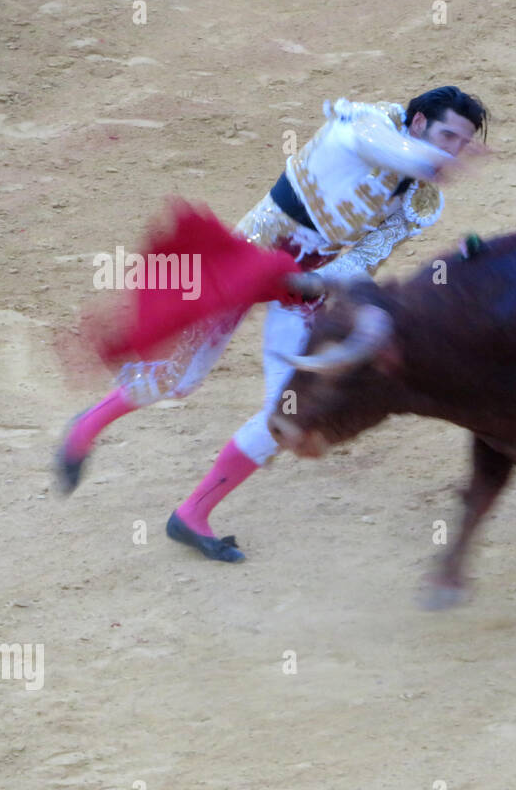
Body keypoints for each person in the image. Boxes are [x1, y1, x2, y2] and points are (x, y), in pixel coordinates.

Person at [56, 86, 489, 562]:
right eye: (446, 135)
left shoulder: (422, 201)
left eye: (461, 144)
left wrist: (317, 282)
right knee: (177, 378)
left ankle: (192, 514)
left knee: (287, 410)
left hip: (304, 282)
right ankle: (86, 428)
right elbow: (393, 152)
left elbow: (367, 255)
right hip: (251, 254)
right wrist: (435, 159)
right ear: (420, 123)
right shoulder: (362, 127)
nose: (451, 151)